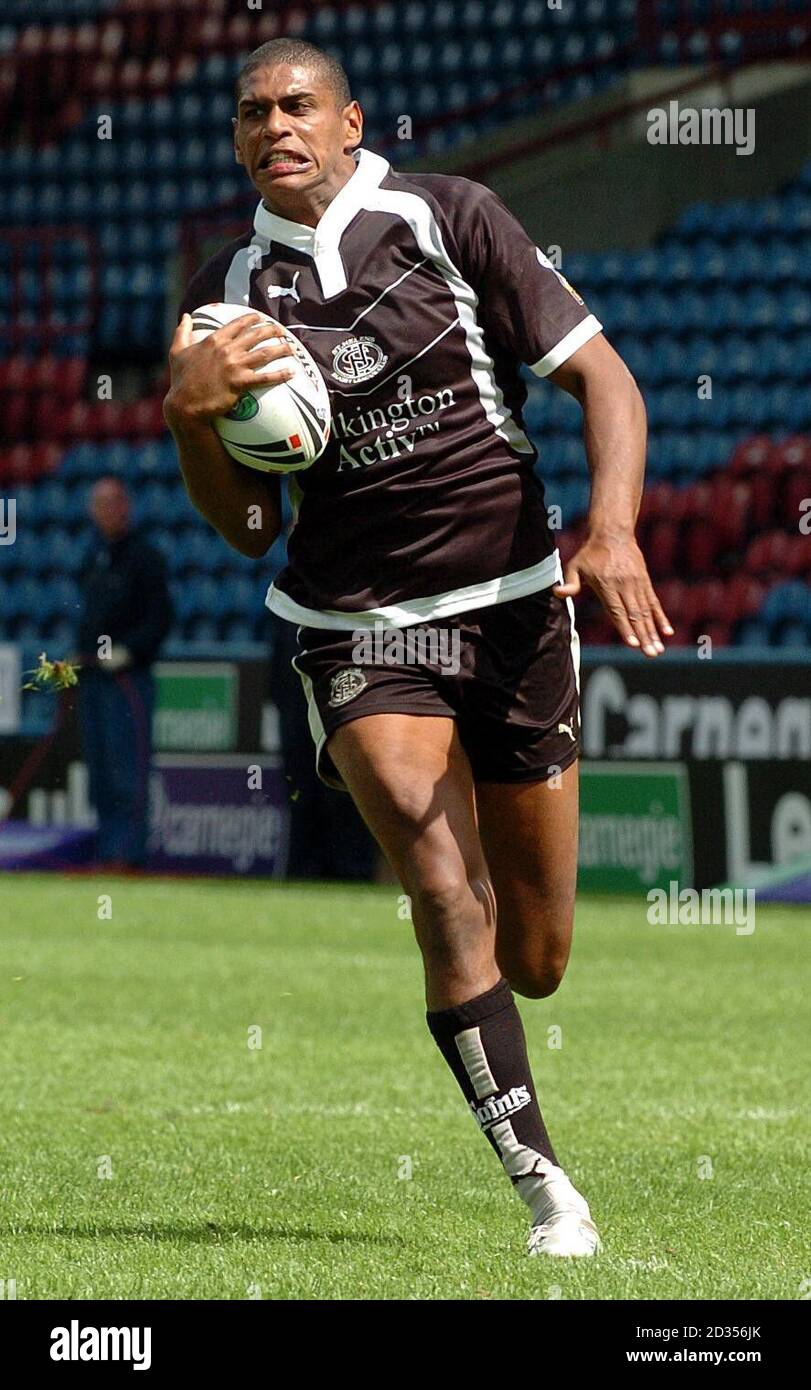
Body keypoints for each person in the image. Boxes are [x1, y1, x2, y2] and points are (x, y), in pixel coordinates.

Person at [163, 38, 672, 1258]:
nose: (273, 126)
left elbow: (606, 380)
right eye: (251, 113)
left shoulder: (449, 219)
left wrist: (609, 532)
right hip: (355, 626)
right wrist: (187, 409)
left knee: (537, 953)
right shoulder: (222, 299)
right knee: (441, 884)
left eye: (297, 106)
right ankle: (548, 1189)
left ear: (349, 123)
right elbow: (242, 529)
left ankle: (513, 1023)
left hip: (511, 609)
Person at [76, 476, 173, 869]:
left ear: (126, 506)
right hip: (93, 677)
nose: (105, 511)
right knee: (99, 769)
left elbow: (161, 618)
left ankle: (128, 856)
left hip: (127, 678)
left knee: (126, 768)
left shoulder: (145, 557)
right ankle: (106, 849)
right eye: (97, 504)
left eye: (111, 502)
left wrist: (129, 651)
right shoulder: (93, 557)